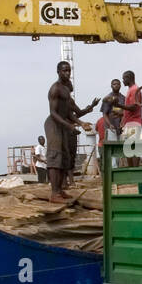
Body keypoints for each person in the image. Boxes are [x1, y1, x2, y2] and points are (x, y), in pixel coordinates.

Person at [44, 61, 97, 202]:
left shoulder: (66, 91)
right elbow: (53, 113)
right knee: (55, 157)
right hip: (53, 124)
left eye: (69, 70)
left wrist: (80, 123)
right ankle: (54, 193)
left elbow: (69, 114)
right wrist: (70, 127)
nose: (67, 73)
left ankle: (60, 190)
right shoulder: (55, 89)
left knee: (65, 157)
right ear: (58, 72)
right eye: (64, 71)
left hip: (62, 124)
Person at [120, 70, 142, 167]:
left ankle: (134, 171)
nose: (122, 81)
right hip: (129, 123)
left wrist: (119, 105)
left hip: (134, 123)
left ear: (129, 78)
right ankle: (131, 170)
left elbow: (134, 107)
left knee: (133, 147)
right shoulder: (131, 89)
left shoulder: (135, 89)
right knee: (128, 148)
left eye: (123, 78)